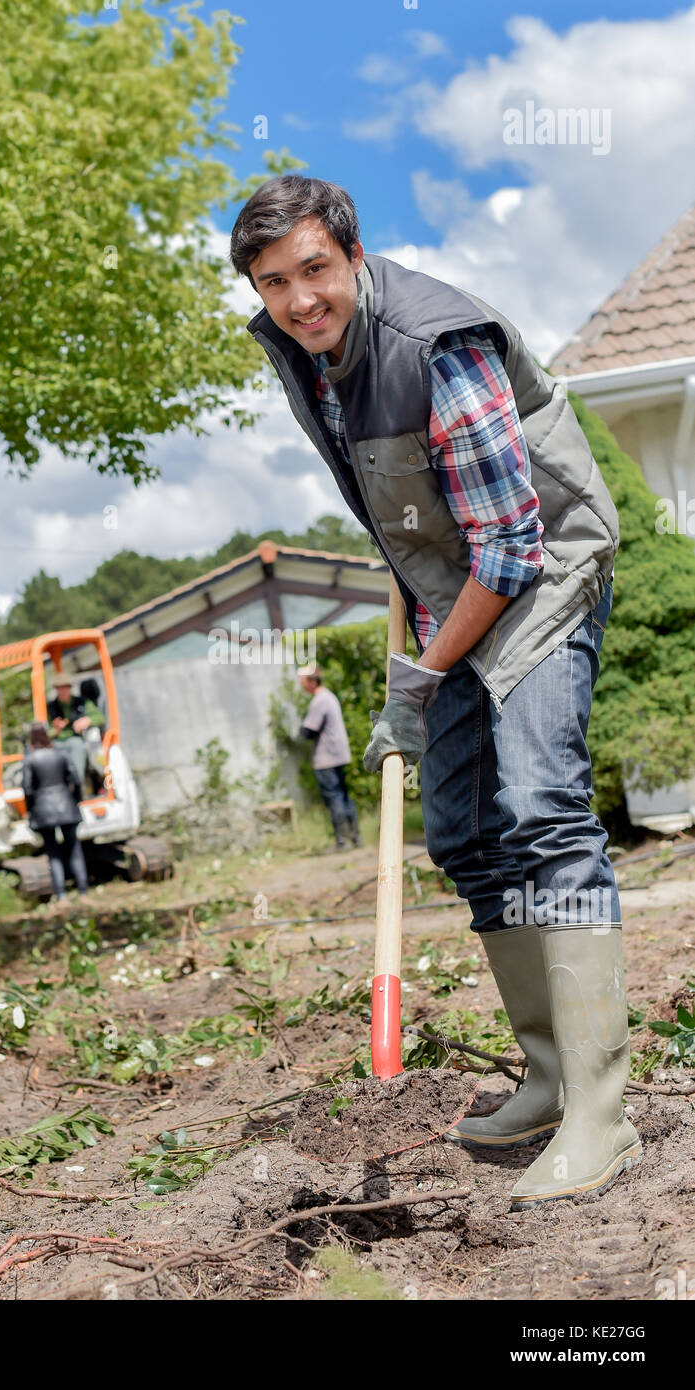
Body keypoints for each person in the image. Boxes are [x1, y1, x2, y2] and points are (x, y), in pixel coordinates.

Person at [229, 175, 638, 1210]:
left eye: (313, 270)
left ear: (352, 256)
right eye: (273, 282)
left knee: (539, 806)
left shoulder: (433, 344)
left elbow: (510, 545)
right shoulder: (302, 352)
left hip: (539, 570)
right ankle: (545, 1073)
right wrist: (415, 627)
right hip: (452, 587)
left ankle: (602, 1109)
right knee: (459, 830)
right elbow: (410, 505)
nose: (297, 298)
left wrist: (422, 673)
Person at [22, 722, 90, 900]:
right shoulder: (62, 754)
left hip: (43, 811)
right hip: (66, 806)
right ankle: (83, 892)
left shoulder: (30, 759)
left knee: (53, 854)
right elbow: (76, 779)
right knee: (74, 849)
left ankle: (61, 895)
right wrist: (75, 800)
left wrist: (31, 811)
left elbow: (27, 789)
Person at [298, 664, 361, 851]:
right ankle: (355, 839)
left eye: (302, 681)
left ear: (312, 681)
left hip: (326, 758)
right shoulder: (329, 697)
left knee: (334, 798)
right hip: (338, 755)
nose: (300, 684)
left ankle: (342, 842)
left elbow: (308, 731)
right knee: (343, 796)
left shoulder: (319, 701)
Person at [47, 678, 94, 789]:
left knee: (77, 745)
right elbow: (44, 732)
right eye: (59, 689)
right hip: (57, 742)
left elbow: (99, 717)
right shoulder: (50, 707)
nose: (62, 691)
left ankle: (77, 783)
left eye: (65, 688)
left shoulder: (81, 702)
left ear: (69, 688)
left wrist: (87, 720)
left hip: (75, 738)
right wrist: (56, 729)